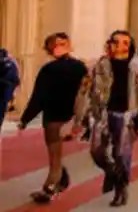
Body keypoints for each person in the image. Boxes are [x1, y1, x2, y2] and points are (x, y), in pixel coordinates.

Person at [83, 30, 138, 208]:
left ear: (129, 46)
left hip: (127, 115)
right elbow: (89, 91)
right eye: (115, 41)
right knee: (97, 151)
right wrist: (85, 116)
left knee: (122, 155)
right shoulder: (101, 65)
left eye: (124, 43)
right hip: (104, 113)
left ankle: (121, 190)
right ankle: (112, 173)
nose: (118, 45)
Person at [19, 33, 89, 204]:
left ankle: (50, 187)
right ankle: (59, 180)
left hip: (53, 118)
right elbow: (86, 94)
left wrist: (25, 119)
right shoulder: (81, 68)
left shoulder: (48, 70)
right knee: (57, 156)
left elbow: (39, 97)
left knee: (54, 156)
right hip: (71, 117)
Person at [0, 47, 19, 131]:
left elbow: (15, 81)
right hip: (5, 93)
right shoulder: (11, 63)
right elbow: (16, 81)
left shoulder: (10, 63)